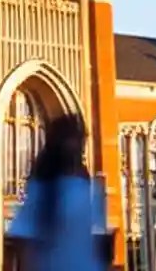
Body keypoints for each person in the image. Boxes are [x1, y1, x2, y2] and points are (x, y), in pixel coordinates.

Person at [7, 113, 109, 271]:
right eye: (77, 140)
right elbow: (23, 241)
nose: (81, 146)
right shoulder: (45, 187)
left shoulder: (85, 183)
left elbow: (96, 236)